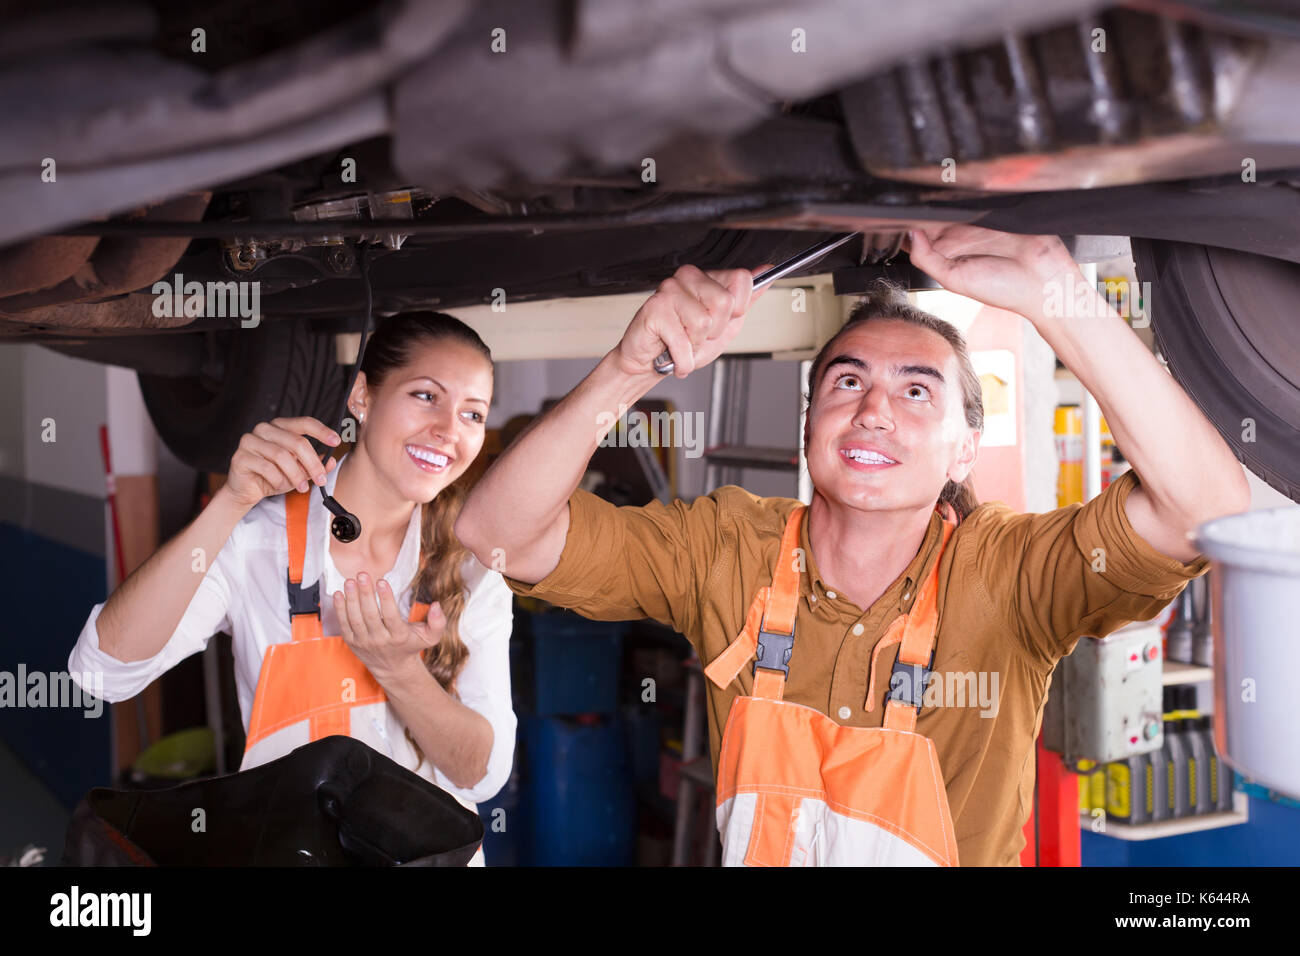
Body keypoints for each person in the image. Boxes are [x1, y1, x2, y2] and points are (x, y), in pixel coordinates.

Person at [455, 224, 1250, 866]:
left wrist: (1058, 295)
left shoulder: (1008, 579)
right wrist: (628, 370)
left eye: (916, 390)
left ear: (964, 450)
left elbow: (1205, 511)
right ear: (810, 426)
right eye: (847, 381)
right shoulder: (726, 549)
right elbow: (494, 534)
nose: (874, 410)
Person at [70, 311, 515, 867]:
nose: (450, 430)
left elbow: (483, 774)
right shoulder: (260, 542)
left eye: (472, 413)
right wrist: (231, 503)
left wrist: (400, 672)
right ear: (361, 396)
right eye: (426, 396)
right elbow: (101, 674)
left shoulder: (474, 568)